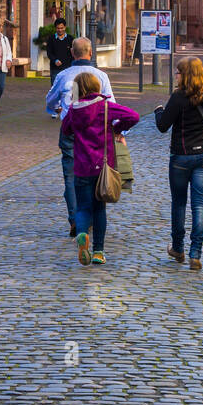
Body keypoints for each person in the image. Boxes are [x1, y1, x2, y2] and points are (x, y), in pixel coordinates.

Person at [60, 71, 138, 267]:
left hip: (81, 167)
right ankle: (99, 252)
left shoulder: (73, 110)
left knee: (83, 207)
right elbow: (133, 116)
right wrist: (117, 127)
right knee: (99, 208)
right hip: (102, 167)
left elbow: (65, 130)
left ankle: (82, 234)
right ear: (96, 88)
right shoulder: (104, 106)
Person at [46, 37, 114, 236]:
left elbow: (50, 100)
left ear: (72, 54)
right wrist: (119, 132)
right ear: (91, 53)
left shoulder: (63, 75)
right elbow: (111, 104)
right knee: (94, 172)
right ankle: (91, 214)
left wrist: (56, 108)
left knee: (70, 174)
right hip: (95, 133)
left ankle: (76, 217)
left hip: (70, 130)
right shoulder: (101, 76)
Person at [155, 56, 203, 271]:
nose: (176, 75)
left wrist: (158, 111)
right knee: (199, 204)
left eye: (178, 72)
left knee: (179, 203)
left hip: (182, 157)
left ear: (186, 75)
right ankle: (195, 253)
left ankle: (178, 248)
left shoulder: (179, 97)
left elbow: (163, 126)